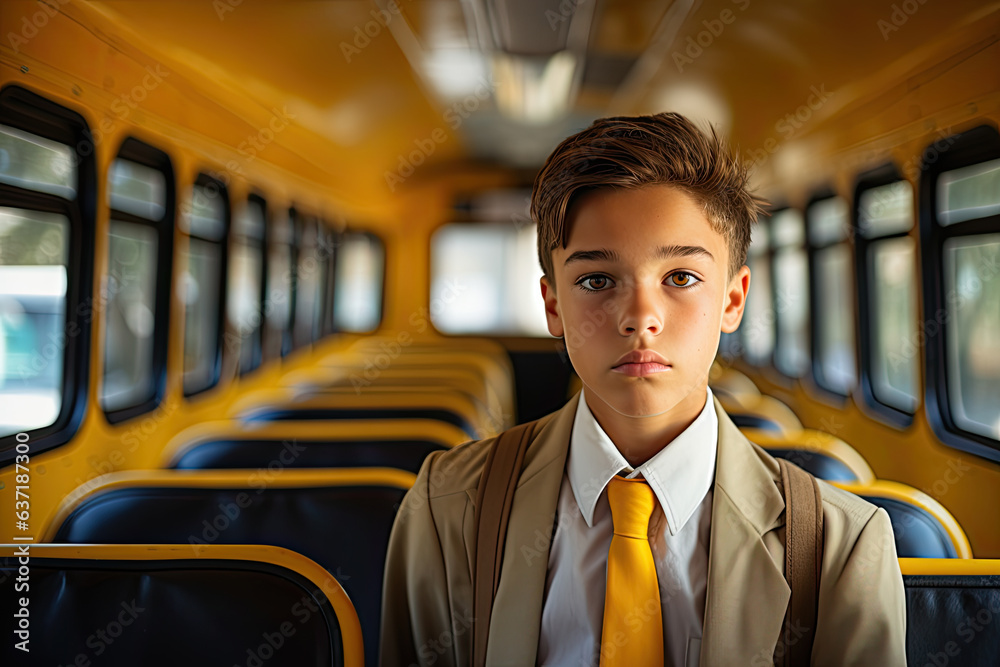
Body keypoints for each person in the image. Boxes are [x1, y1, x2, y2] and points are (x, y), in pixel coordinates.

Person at [379, 113, 906, 666]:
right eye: (596, 280)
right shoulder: (446, 507)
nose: (640, 318)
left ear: (732, 300)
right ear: (554, 304)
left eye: (680, 278)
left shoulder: (838, 545)